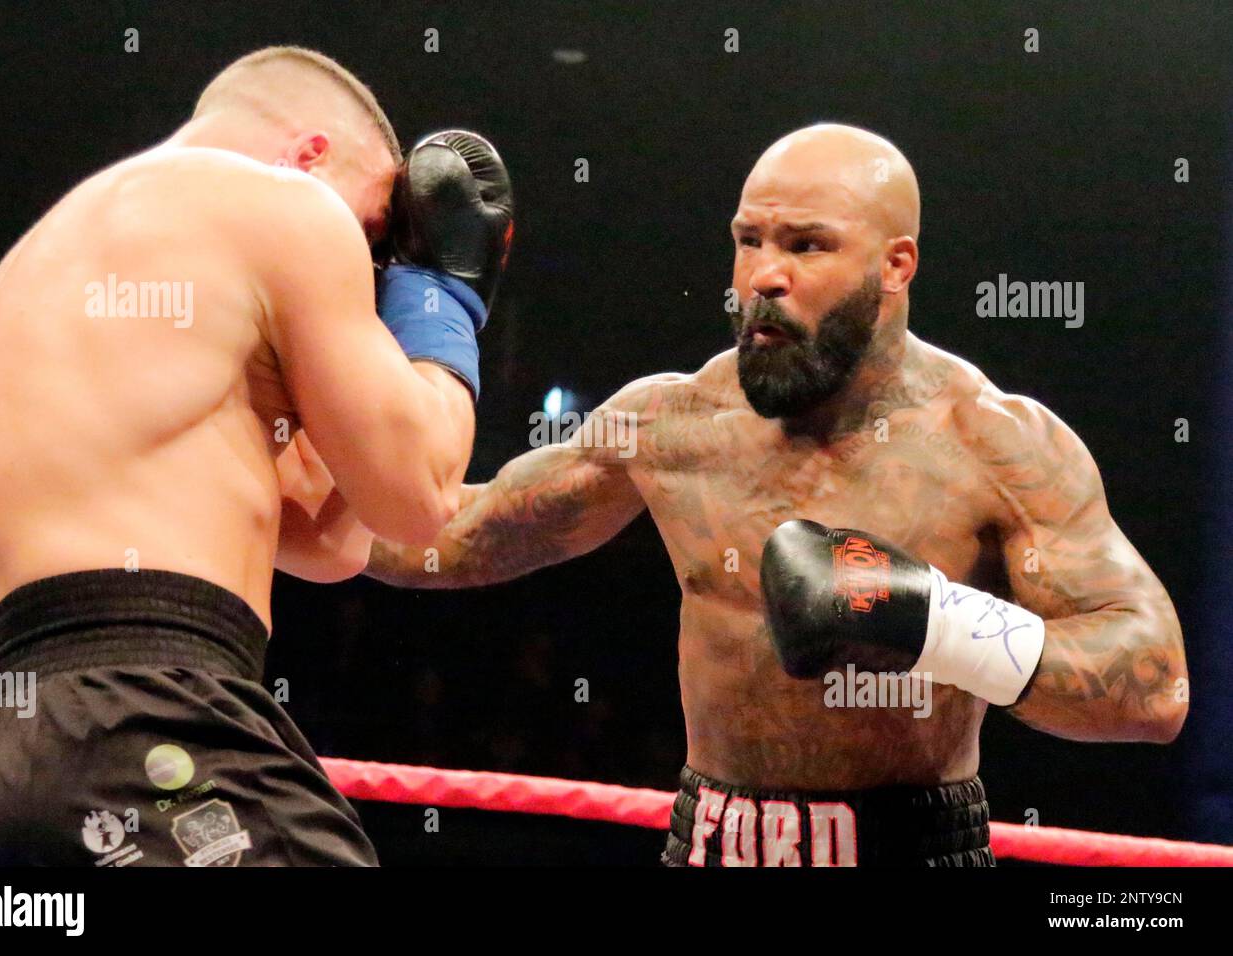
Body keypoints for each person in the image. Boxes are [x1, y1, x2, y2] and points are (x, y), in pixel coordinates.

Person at [364, 124, 1186, 866]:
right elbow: (451, 536)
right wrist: (268, 491)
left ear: (895, 265)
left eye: (807, 245)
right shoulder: (668, 425)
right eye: (747, 240)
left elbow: (1154, 688)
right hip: (712, 839)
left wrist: (930, 620)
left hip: (912, 848)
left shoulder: (995, 445)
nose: (764, 276)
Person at [0, 45, 512, 866]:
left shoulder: (43, 266)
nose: (373, 266)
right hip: (151, 722)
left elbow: (329, 540)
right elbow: (417, 496)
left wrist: (367, 381)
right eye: (375, 230)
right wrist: (443, 300)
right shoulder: (285, 205)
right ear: (309, 154)